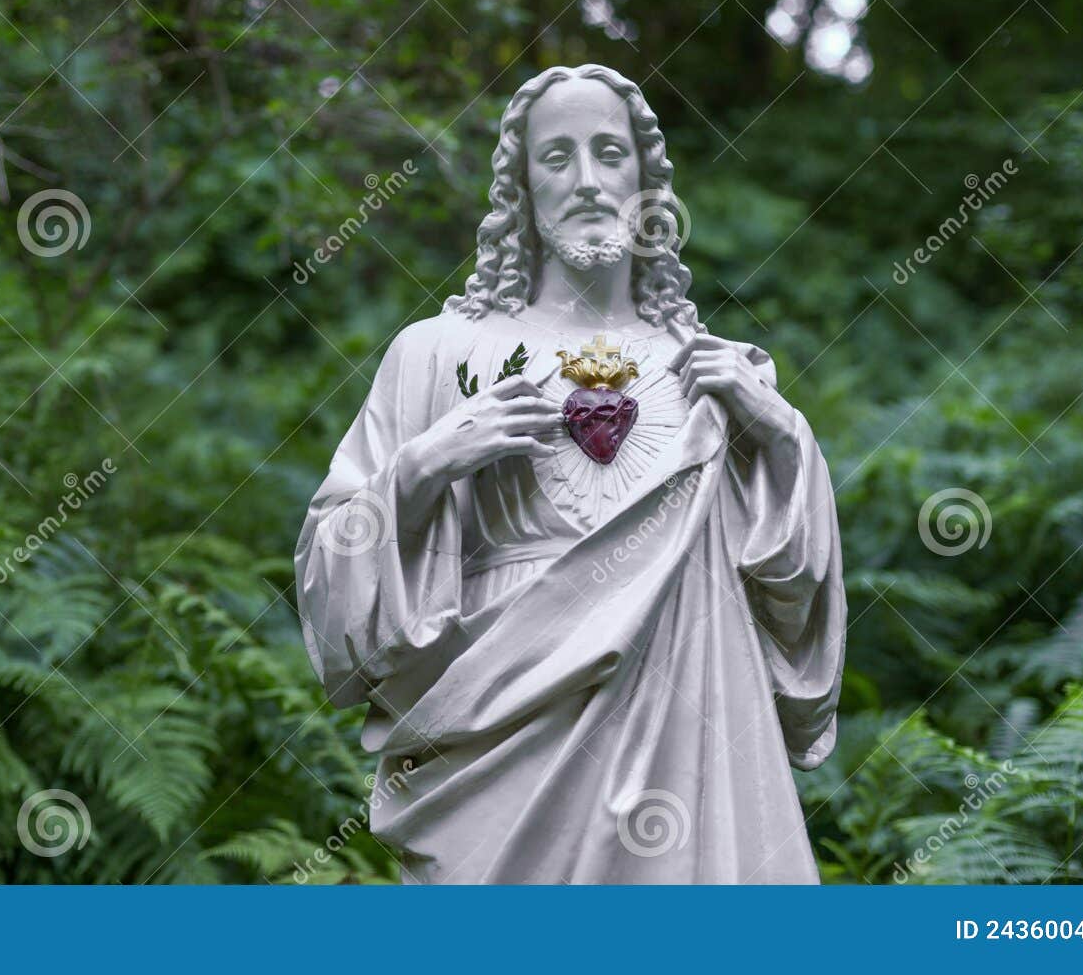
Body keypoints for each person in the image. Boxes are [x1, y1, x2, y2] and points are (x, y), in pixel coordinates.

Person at [294, 64, 846, 883]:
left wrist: (781, 440)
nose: (586, 180)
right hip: (503, 746)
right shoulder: (439, 354)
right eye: (556, 158)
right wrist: (421, 468)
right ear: (520, 187)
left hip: (692, 726)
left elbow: (792, 593)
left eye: (608, 153)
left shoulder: (717, 374)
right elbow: (328, 557)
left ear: (645, 179)